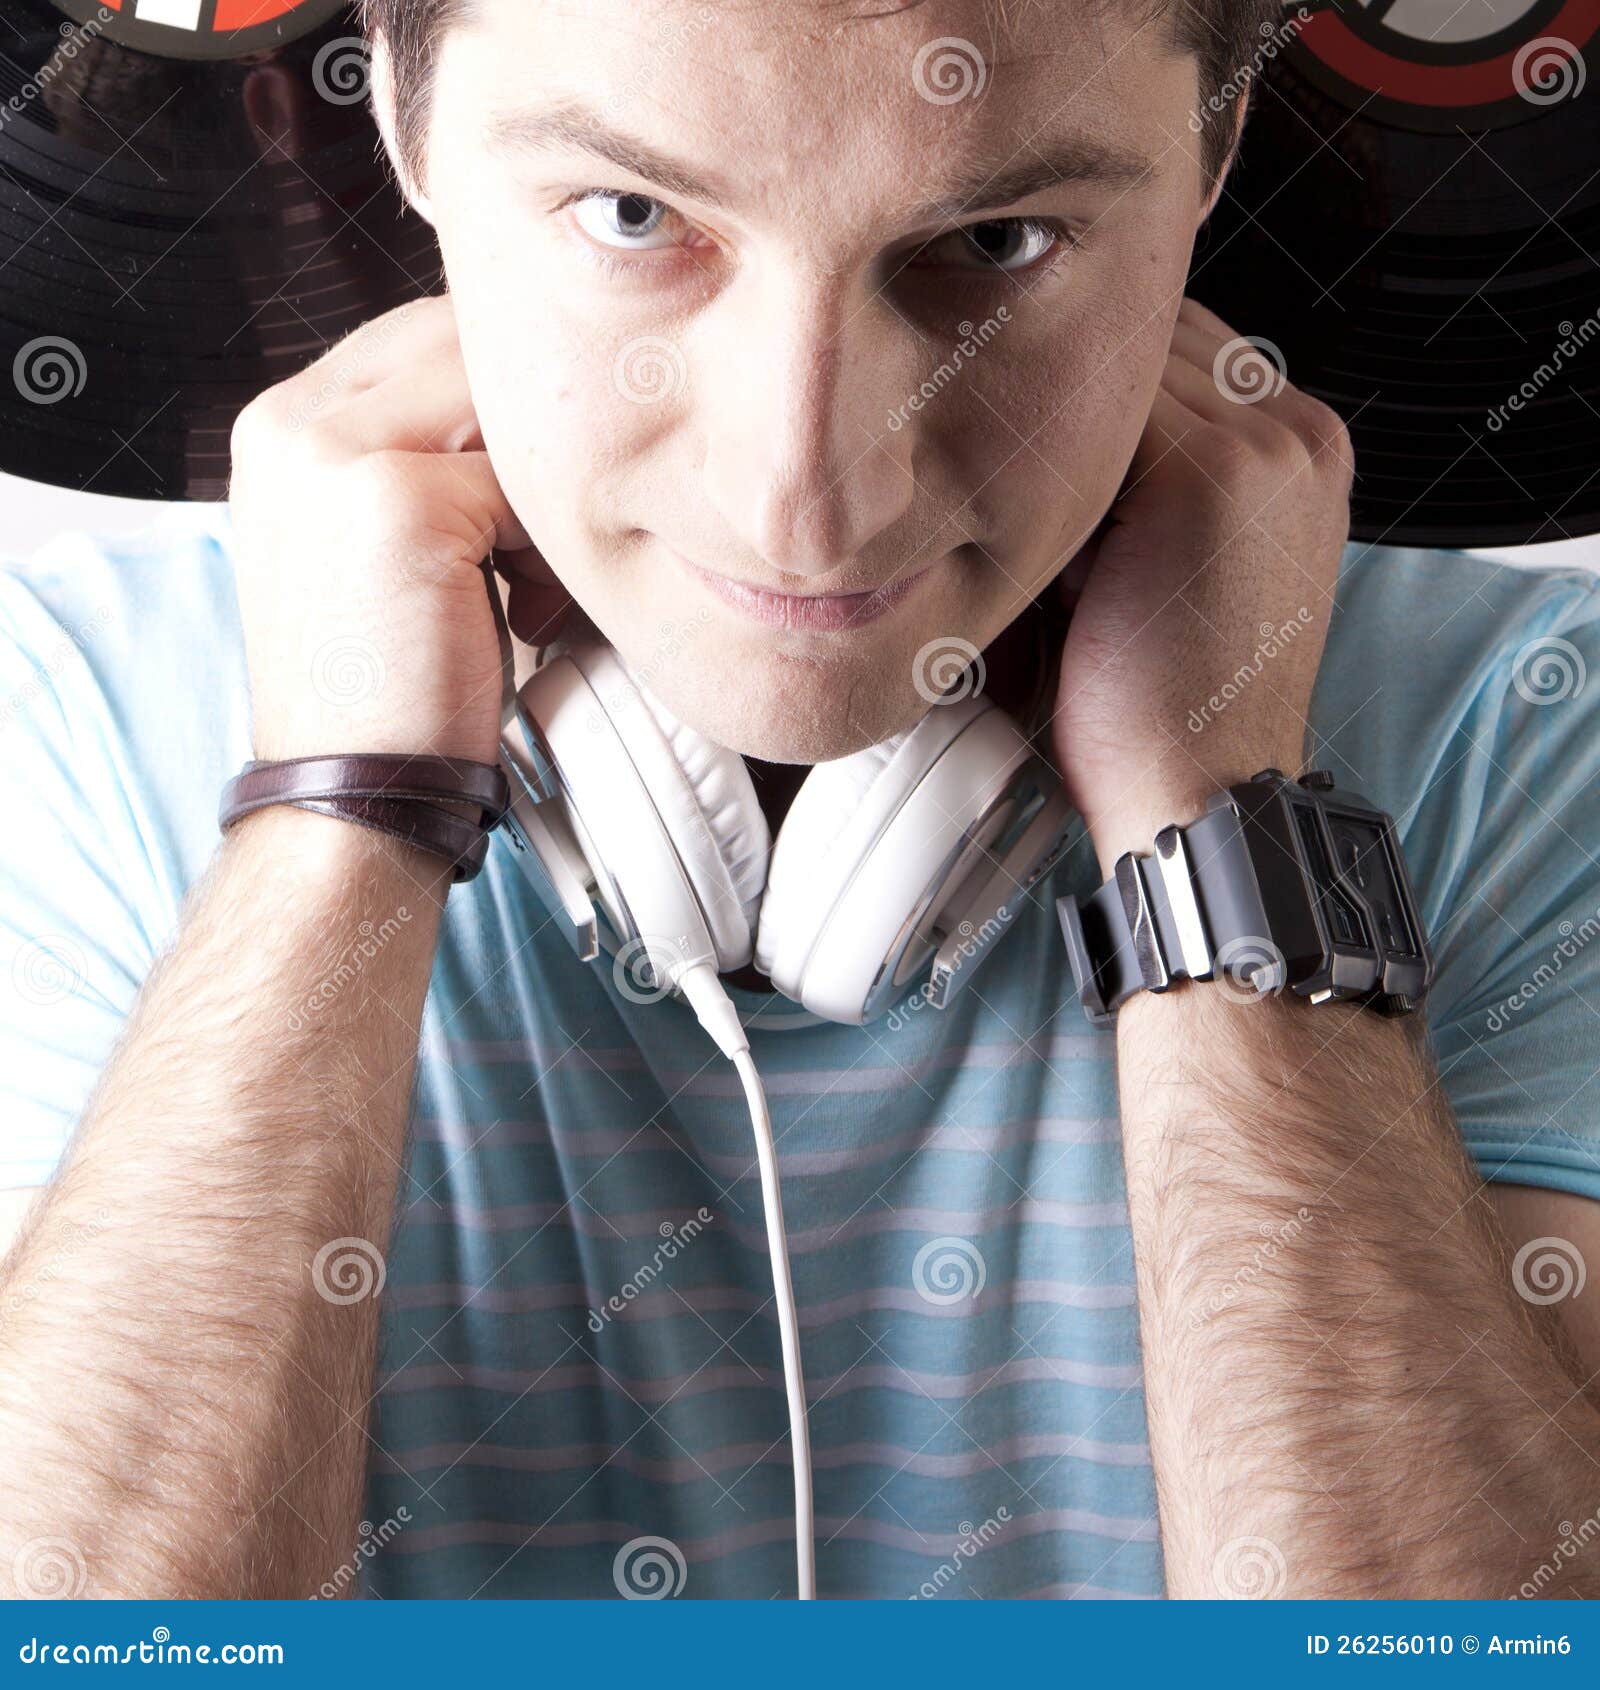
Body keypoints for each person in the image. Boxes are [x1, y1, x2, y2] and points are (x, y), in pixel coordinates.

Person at [1, 0, 1598, 1601]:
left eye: (994, 240)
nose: (810, 498)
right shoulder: (68, 717)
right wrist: (337, 819)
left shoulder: (1529, 731)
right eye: (635, 215)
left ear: (1213, 146)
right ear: (400, 125)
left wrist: (1224, 831)